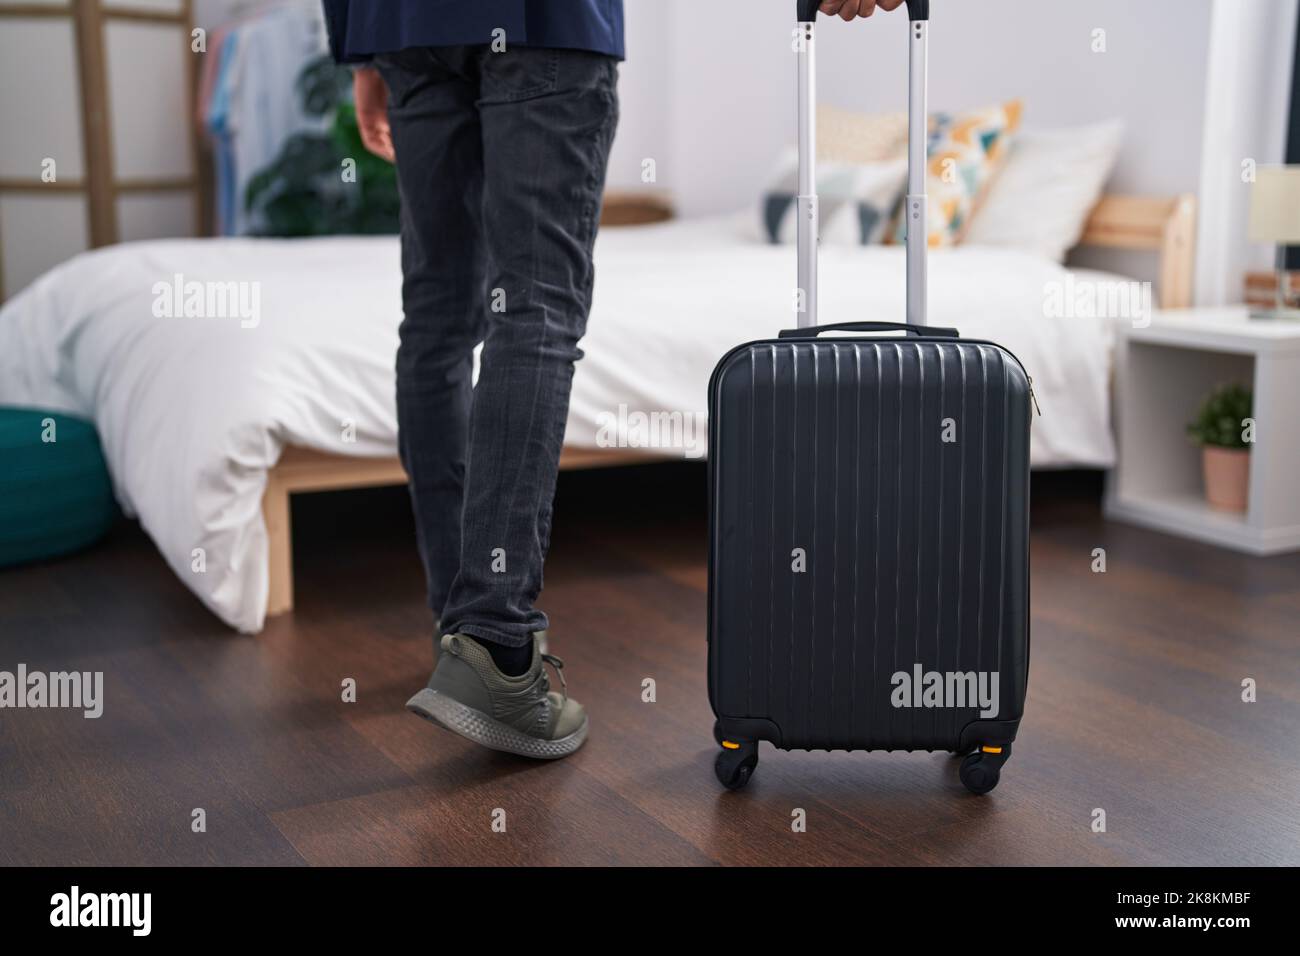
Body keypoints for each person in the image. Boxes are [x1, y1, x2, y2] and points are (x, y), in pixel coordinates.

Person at [322, 0, 904, 762]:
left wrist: (361, 45)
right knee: (533, 309)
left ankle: (459, 625)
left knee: (436, 317)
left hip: (402, 24)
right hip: (542, 21)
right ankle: (494, 643)